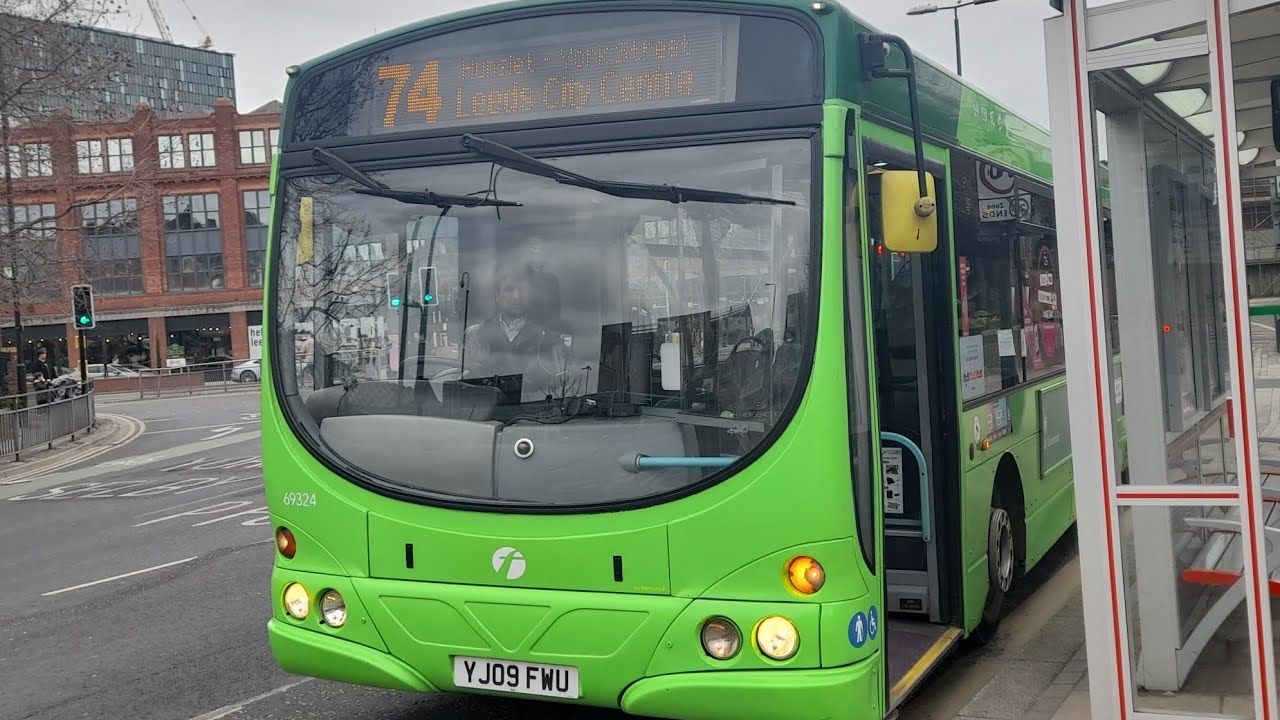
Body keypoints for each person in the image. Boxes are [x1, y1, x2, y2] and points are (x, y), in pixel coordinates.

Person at [462, 267, 568, 395]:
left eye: (522, 291)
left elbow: (560, 387)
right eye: (509, 289)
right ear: (497, 296)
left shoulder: (548, 340)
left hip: (531, 412)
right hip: (479, 410)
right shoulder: (474, 335)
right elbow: (462, 381)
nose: (516, 296)